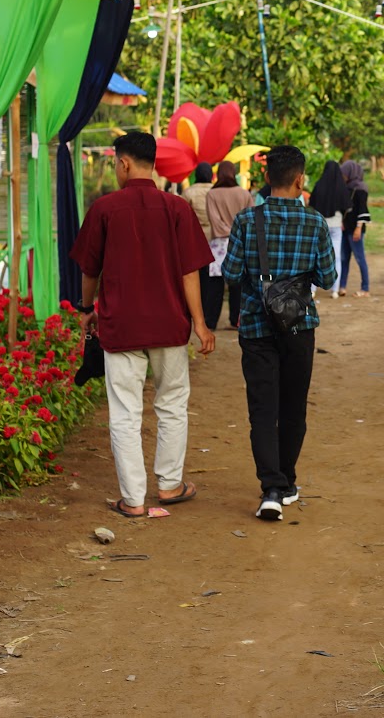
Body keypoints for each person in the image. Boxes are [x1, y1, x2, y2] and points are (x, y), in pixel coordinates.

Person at [71, 131, 216, 519]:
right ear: (152, 164)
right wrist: (200, 324)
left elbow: (89, 269)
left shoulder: (104, 208)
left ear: (123, 163)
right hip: (169, 323)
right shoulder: (176, 208)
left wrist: (87, 308)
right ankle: (169, 485)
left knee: (125, 412)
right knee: (172, 404)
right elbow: (190, 272)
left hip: (121, 326)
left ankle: (133, 499)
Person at [221, 145, 339, 521]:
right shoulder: (315, 222)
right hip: (299, 326)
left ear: (266, 177)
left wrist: (260, 278)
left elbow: (230, 273)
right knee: (293, 406)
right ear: (300, 180)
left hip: (256, 326)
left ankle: (270, 488)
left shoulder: (246, 220)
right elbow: (328, 277)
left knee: (262, 409)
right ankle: (287, 482)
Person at [204, 160, 254, 330]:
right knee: (237, 285)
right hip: (240, 242)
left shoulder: (212, 194)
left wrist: (227, 230)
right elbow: (251, 220)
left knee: (215, 285)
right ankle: (235, 320)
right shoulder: (244, 194)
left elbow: (214, 221)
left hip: (219, 244)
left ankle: (211, 321)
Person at [184, 162, 218, 331]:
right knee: (211, 278)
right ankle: (207, 310)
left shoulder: (189, 192)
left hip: (194, 236)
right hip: (214, 237)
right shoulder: (215, 191)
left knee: (195, 274)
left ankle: (195, 309)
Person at [308, 160, 349, 299]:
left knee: (316, 257)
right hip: (336, 225)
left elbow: (312, 204)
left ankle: (312, 289)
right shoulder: (341, 186)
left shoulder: (319, 185)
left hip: (320, 226)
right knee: (336, 258)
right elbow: (347, 206)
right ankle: (335, 290)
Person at [339, 158, 372, 297]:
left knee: (360, 258)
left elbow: (362, 210)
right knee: (344, 258)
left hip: (356, 229)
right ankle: (342, 286)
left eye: (344, 173)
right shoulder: (345, 188)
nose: (343, 176)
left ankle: (365, 288)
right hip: (345, 228)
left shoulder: (361, 189)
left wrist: (359, 228)